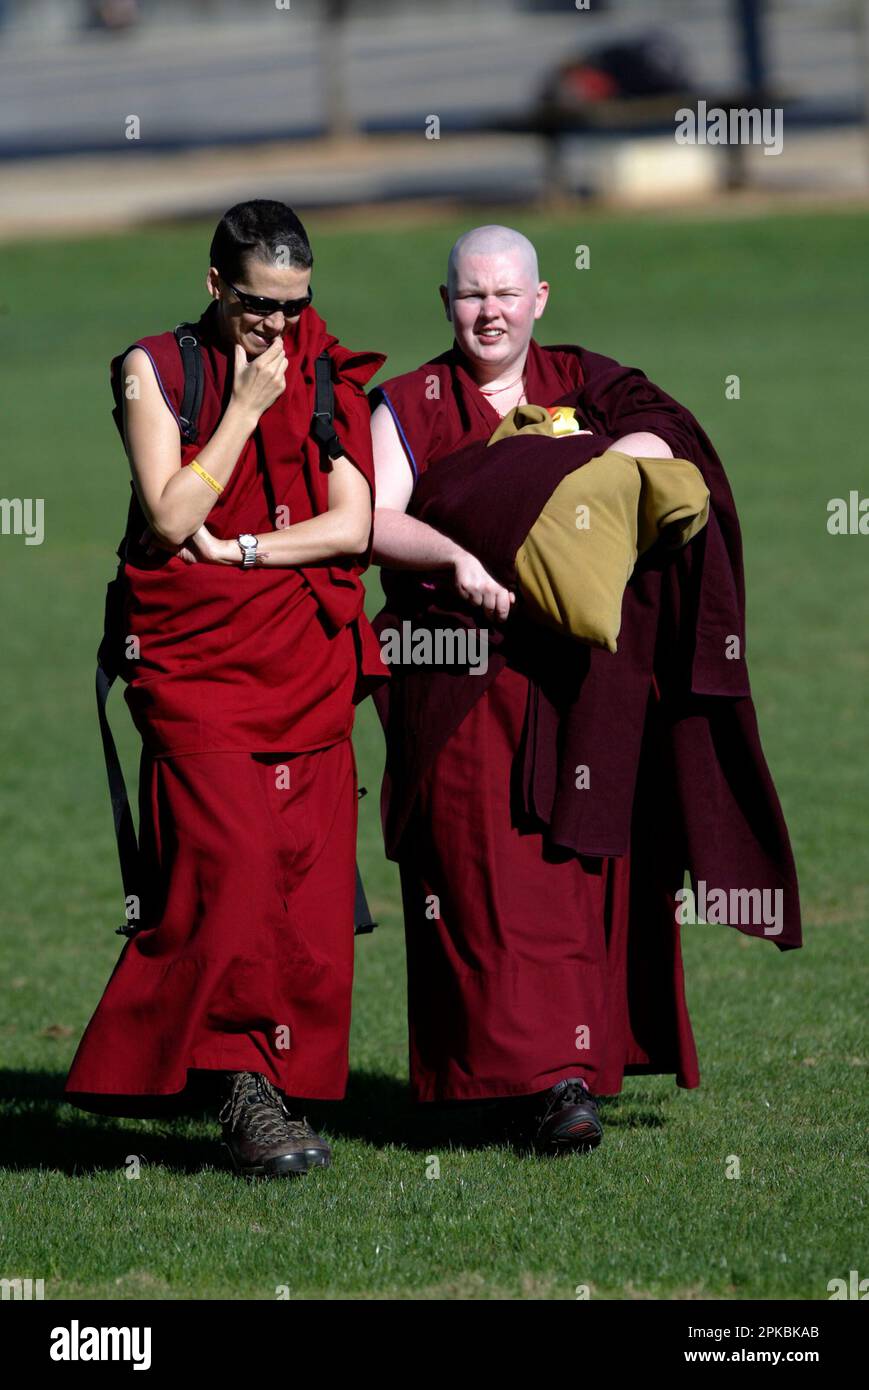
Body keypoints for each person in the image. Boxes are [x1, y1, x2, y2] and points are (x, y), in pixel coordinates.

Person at [369, 224, 801, 1153]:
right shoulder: (408, 403)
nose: (488, 312)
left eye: (504, 294)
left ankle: (564, 1084)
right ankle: (487, 1075)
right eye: (469, 294)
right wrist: (453, 553)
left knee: (570, 880)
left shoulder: (586, 382)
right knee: (476, 878)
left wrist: (607, 459)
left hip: (582, 683)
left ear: (538, 301)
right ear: (445, 303)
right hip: (458, 674)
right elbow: (371, 518)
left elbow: (670, 438)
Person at [64, 200, 387, 1179]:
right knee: (232, 864)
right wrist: (245, 408)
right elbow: (167, 518)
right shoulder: (152, 371)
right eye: (256, 306)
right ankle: (235, 1087)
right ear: (215, 288)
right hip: (192, 663)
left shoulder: (319, 369)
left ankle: (261, 1080)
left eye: (294, 307)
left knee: (303, 890)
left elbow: (353, 523)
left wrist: (247, 548)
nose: (276, 328)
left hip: (297, 657)